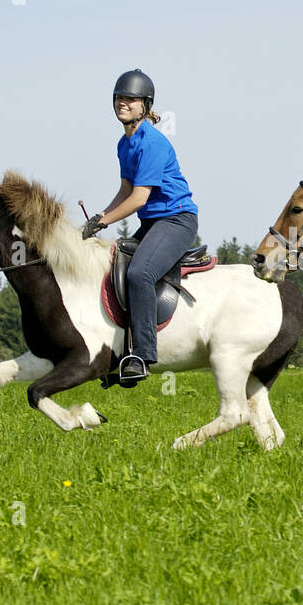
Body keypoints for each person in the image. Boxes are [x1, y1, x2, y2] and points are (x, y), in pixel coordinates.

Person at [88, 69, 198, 384]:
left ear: (144, 104)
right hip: (152, 222)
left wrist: (106, 220)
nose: (123, 103)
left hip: (176, 220)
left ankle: (143, 356)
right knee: (111, 267)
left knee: (140, 274)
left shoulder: (152, 143)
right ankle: (117, 352)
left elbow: (138, 198)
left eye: (130, 99)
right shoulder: (125, 144)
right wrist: (97, 220)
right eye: (119, 98)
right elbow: (124, 191)